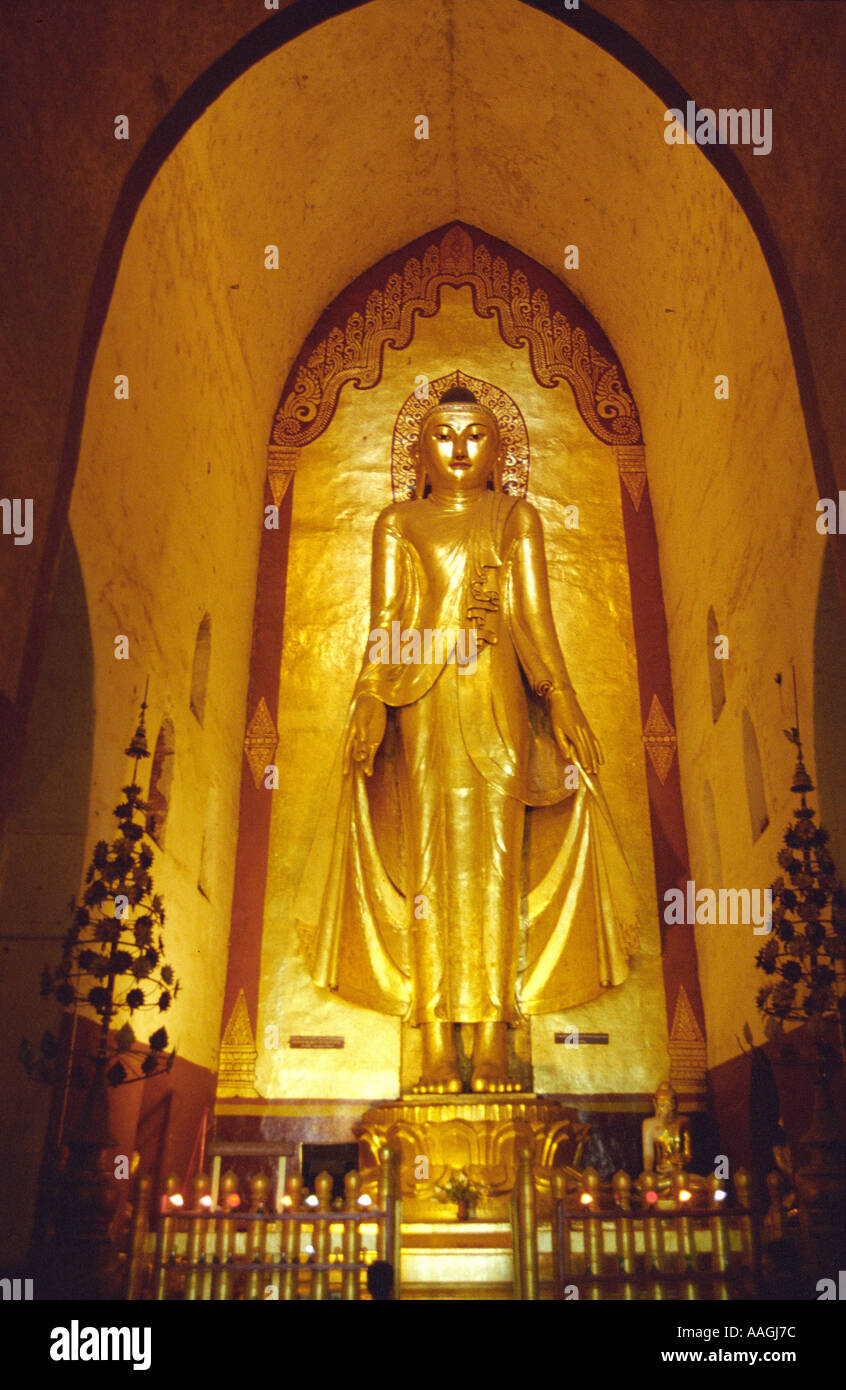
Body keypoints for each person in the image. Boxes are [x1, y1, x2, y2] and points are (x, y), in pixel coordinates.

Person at [299, 386, 640, 1093]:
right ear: (420, 452)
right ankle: (427, 1042)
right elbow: (386, 617)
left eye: (475, 434)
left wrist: (564, 697)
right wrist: (366, 696)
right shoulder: (398, 521)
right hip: (421, 697)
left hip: (497, 691)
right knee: (427, 865)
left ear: (499, 450)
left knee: (493, 865)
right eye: (444, 435)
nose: (459, 448)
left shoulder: (516, 517)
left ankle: (490, 1038)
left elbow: (534, 619)